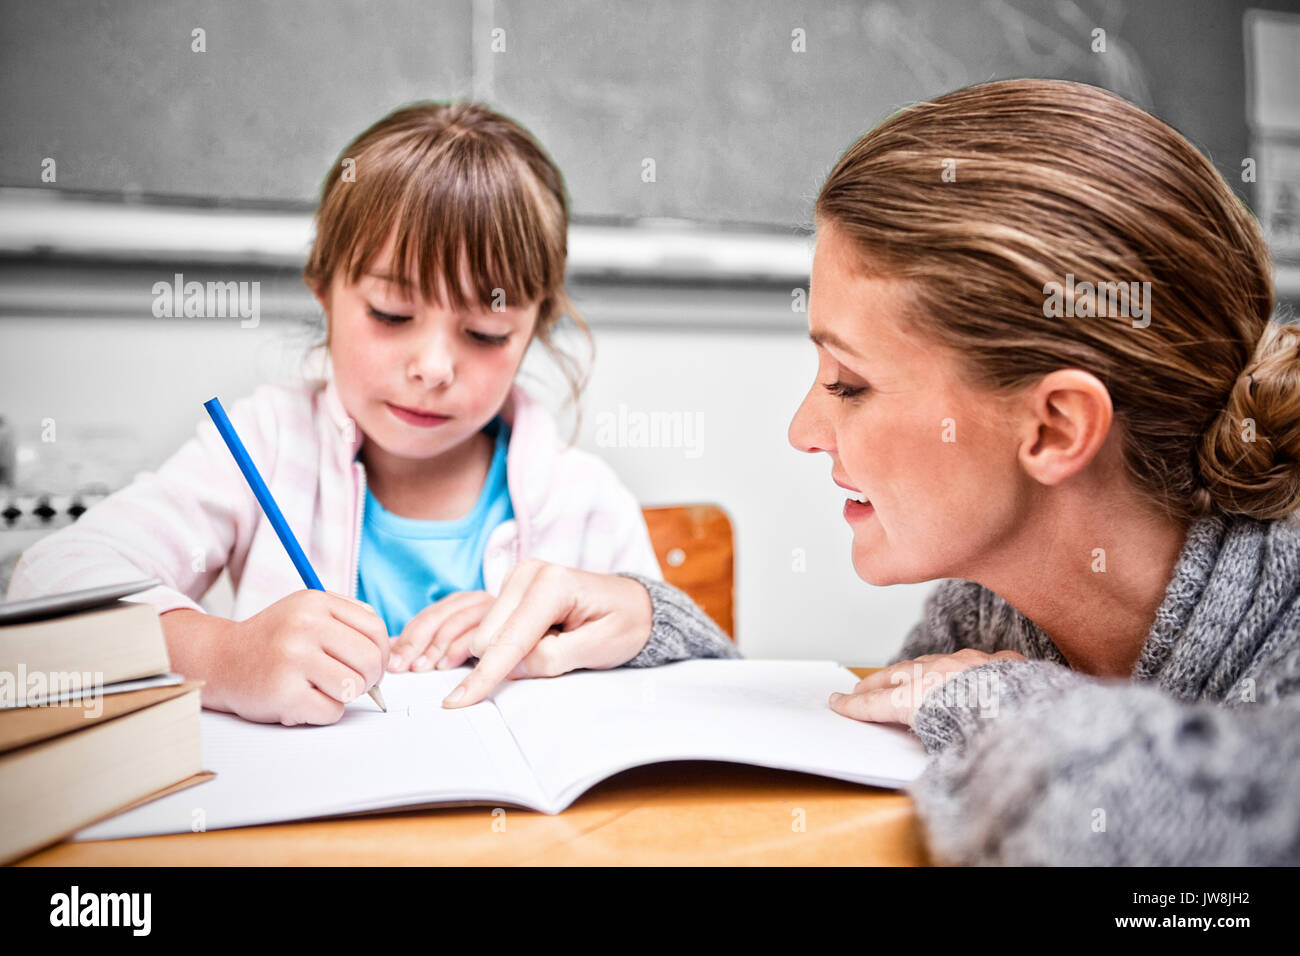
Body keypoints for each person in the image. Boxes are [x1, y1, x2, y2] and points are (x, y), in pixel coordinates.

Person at [436, 79, 1300, 865]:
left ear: (1055, 426)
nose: (803, 430)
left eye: (849, 384)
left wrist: (999, 699)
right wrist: (655, 636)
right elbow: (861, 736)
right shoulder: (992, 603)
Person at [6, 102, 662, 727]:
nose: (433, 366)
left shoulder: (582, 500)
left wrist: (649, 617)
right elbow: (45, 587)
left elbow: (691, 687)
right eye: (391, 313)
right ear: (324, 290)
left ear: (534, 329)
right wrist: (221, 657)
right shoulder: (265, 444)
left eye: (486, 332)